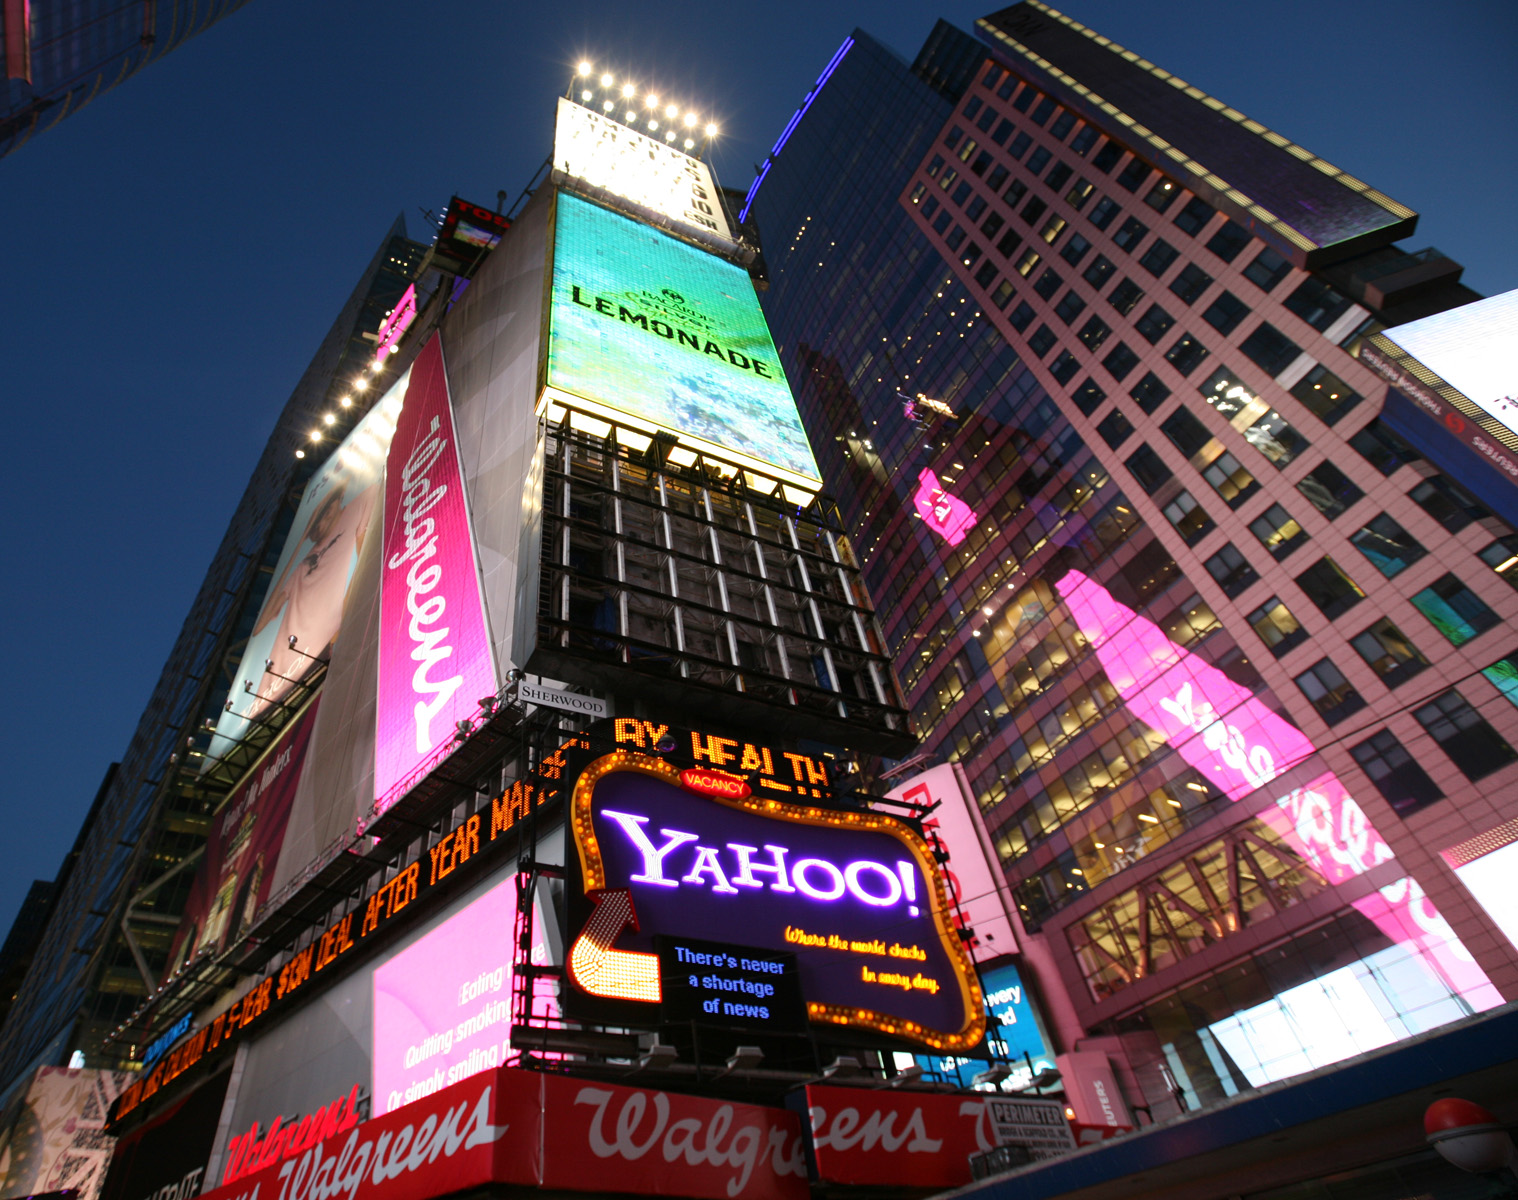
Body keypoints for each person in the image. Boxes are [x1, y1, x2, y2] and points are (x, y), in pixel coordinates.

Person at [244, 479, 377, 720]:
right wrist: (297, 550)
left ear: (339, 501)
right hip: (277, 679)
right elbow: (259, 627)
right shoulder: (301, 565)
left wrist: (345, 623)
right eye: (313, 525)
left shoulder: (358, 506)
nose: (319, 525)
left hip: (325, 651)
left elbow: (366, 556)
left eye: (325, 513)